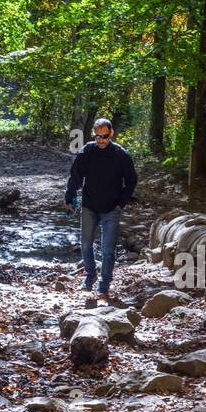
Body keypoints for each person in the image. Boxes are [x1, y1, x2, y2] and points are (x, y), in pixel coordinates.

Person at [64, 118, 137, 300]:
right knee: (86, 244)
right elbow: (75, 176)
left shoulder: (121, 155)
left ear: (111, 134)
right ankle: (90, 275)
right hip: (89, 205)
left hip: (112, 208)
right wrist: (69, 196)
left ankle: (103, 286)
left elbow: (131, 181)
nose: (101, 140)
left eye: (104, 136)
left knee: (107, 250)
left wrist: (121, 203)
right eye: (97, 136)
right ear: (94, 135)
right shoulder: (87, 151)